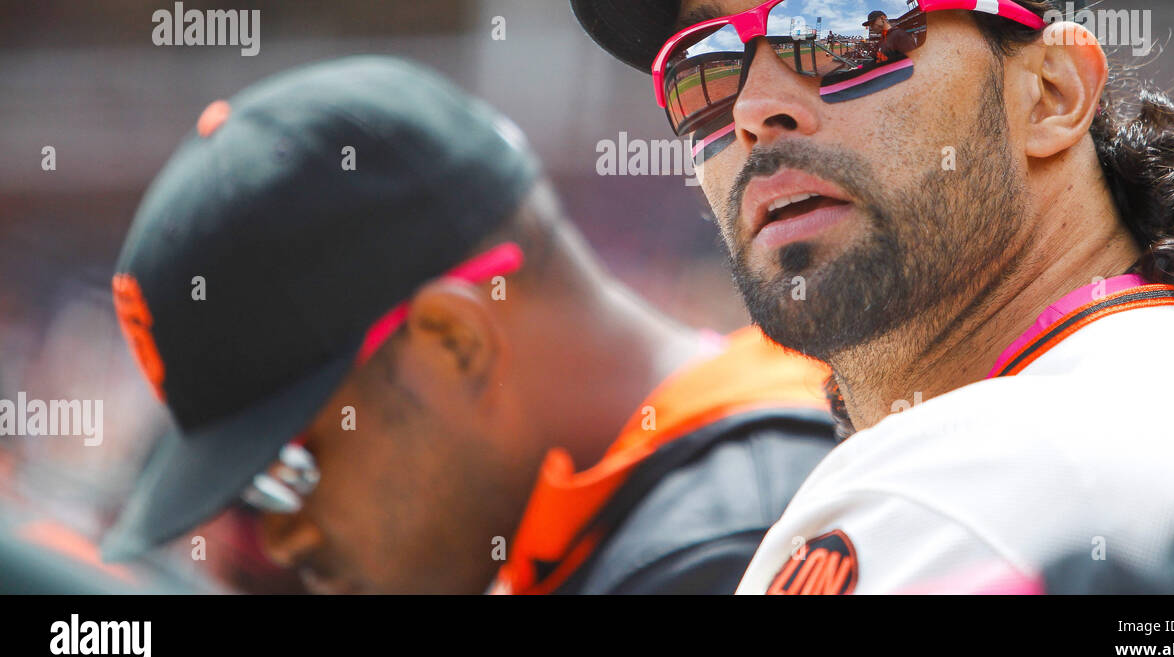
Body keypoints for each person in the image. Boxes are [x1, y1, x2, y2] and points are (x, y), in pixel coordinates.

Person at [565, 0, 1174, 593]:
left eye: (841, 26)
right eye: (701, 69)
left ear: (1052, 94)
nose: (751, 109)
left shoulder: (939, 496)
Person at [101, 56, 835, 594]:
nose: (283, 539)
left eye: (287, 472)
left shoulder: (728, 553)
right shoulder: (719, 486)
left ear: (455, 343)